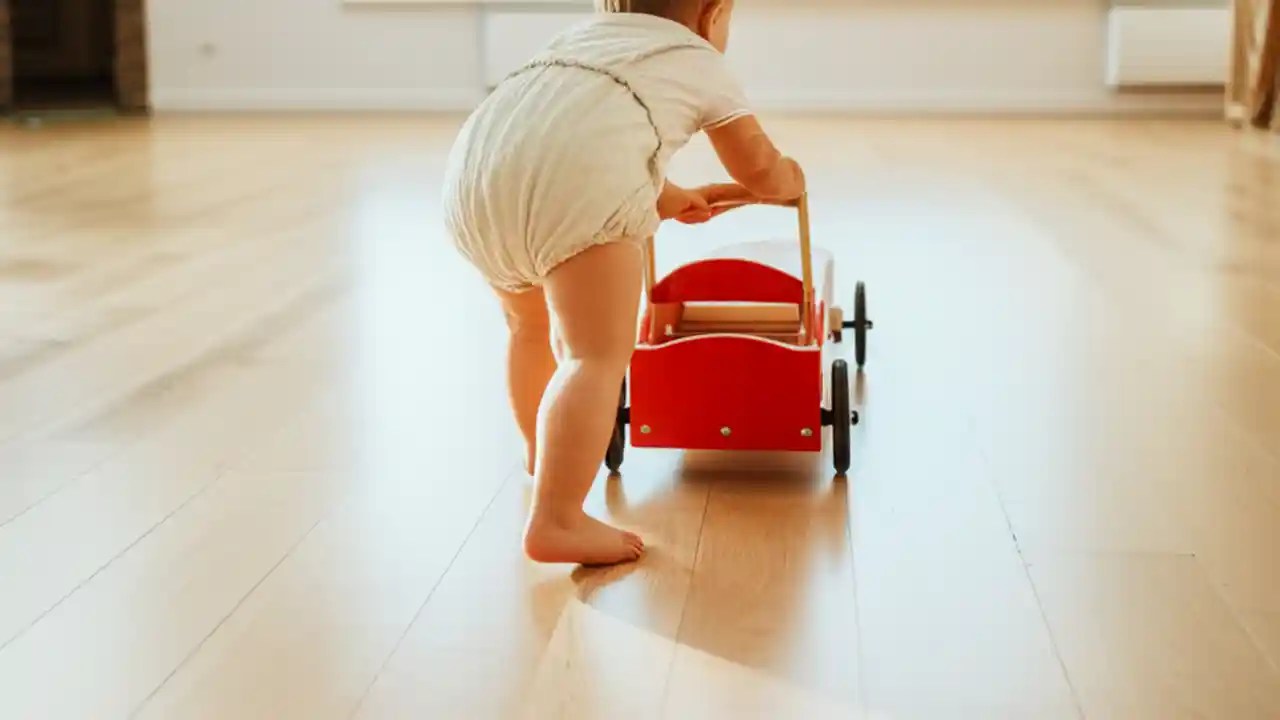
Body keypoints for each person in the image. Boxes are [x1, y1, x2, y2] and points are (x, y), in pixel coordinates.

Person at [442, 0, 806, 565]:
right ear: (713, 14)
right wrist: (786, 180)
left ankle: (545, 455)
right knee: (594, 356)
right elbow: (757, 168)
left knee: (528, 328)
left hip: (474, 183)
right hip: (575, 199)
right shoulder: (699, 59)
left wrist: (668, 197)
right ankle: (557, 518)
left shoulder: (579, 42)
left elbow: (575, 137)